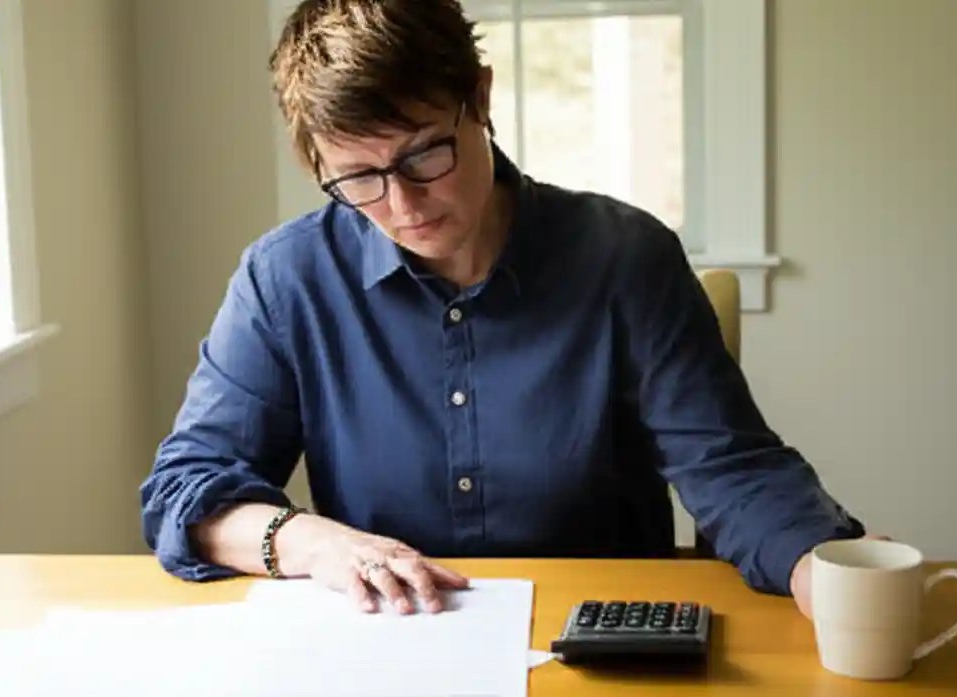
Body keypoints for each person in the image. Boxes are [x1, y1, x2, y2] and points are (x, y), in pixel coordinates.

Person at [140, 0, 869, 618]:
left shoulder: (626, 256)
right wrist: (312, 542)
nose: (401, 205)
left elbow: (732, 468)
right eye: (358, 178)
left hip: (599, 643)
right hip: (391, 647)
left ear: (480, 98)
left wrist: (827, 579)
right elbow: (186, 490)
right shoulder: (287, 278)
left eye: (425, 156)